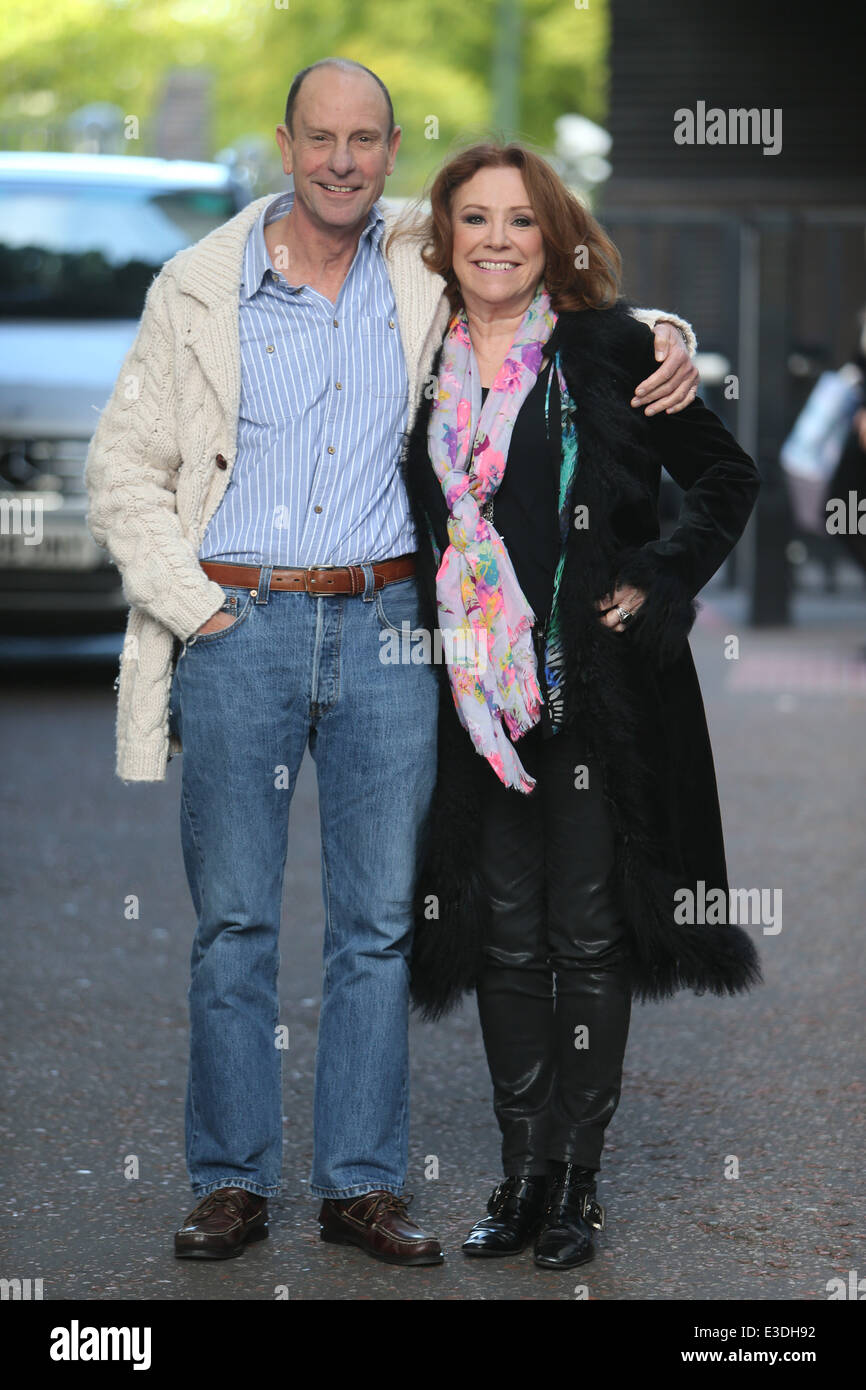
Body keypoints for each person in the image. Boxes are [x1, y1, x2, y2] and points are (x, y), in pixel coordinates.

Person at [84, 59, 701, 1267]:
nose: (342, 162)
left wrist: (659, 332)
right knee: (235, 925)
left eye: (366, 141)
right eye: (320, 139)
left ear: (387, 153)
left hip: (385, 632)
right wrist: (198, 610)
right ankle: (230, 1184)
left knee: (376, 924)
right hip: (239, 626)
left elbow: (530, 259)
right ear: (283, 143)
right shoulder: (200, 287)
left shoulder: (417, 261)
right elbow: (123, 472)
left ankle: (359, 1186)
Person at [400, 142, 762, 1270]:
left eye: (519, 219)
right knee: (503, 934)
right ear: (443, 237)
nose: (496, 239)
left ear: (554, 236)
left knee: (586, 932)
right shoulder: (418, 359)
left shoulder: (610, 349)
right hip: (478, 703)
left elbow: (724, 477)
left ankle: (576, 1186)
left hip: (596, 697)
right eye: (474, 219)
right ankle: (518, 1179)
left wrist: (657, 580)